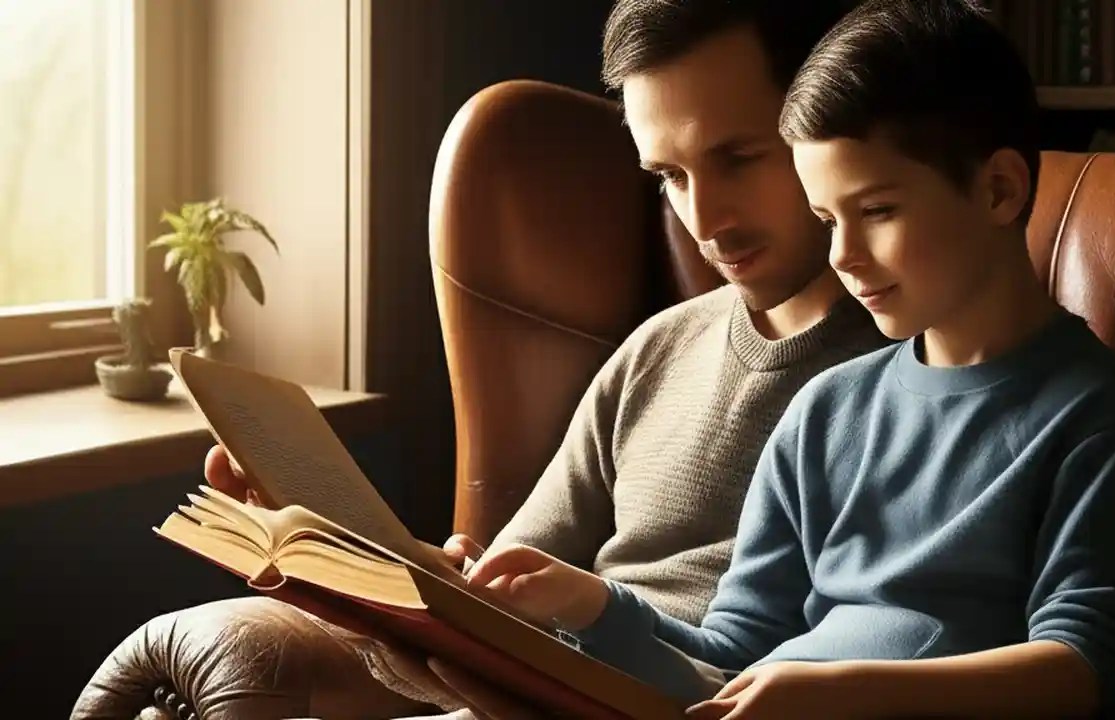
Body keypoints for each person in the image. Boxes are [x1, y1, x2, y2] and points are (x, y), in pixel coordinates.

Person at [80, 1, 882, 718]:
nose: (704, 218)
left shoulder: (916, 372)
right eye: (669, 176)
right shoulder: (655, 353)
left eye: (739, 157)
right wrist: (333, 554)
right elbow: (496, 595)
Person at [462, 1, 1115, 718]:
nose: (844, 256)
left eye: (877, 211)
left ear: (999, 189)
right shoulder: (824, 412)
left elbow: (1088, 663)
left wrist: (842, 690)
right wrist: (593, 607)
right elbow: (728, 657)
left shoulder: (1093, 412)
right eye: (827, 219)